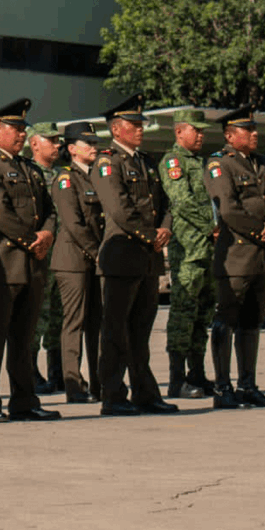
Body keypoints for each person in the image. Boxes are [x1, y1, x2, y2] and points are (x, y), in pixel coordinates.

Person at [0, 98, 61, 423]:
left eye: (24, 129)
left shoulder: (31, 169)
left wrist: (48, 234)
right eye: (16, 129)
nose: (22, 135)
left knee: (24, 339)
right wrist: (32, 240)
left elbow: (49, 210)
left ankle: (24, 401)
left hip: (33, 267)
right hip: (3, 265)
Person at [89, 94, 176, 416]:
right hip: (122, 256)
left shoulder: (146, 161)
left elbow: (164, 203)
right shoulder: (107, 162)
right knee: (115, 331)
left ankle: (145, 392)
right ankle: (113, 395)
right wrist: (152, 236)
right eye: (134, 125)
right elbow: (120, 210)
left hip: (148, 258)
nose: (140, 130)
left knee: (140, 331)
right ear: (116, 128)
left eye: (142, 125)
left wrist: (164, 228)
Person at [202, 105, 265, 409]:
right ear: (229, 135)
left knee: (252, 320)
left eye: (254, 129)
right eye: (247, 130)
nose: (254, 134)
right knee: (227, 317)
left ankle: (247, 384)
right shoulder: (220, 164)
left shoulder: (264, 163)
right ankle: (223, 388)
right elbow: (228, 209)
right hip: (236, 254)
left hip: (263, 256)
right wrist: (262, 231)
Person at [158, 108, 217, 398]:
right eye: (196, 129)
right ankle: (176, 379)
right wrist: (212, 227)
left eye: (203, 129)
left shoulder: (201, 162)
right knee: (183, 314)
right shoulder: (173, 161)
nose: (201, 134)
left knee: (202, 315)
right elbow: (181, 201)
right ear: (180, 131)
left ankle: (197, 373)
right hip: (189, 249)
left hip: (207, 250)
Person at [49, 122, 104, 403]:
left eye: (95, 144)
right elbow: (73, 223)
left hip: (95, 259)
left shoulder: (95, 176)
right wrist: (99, 252)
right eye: (88, 144)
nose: (94, 149)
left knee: (97, 323)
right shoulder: (66, 179)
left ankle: (98, 383)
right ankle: (73, 384)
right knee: (75, 322)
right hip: (73, 260)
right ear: (71, 149)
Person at [26, 122, 66, 394]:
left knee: (59, 316)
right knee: (36, 315)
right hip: (39, 254)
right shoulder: (27, 173)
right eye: (51, 140)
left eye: (58, 140)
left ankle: (58, 371)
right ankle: (29, 370)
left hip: (64, 255)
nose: (57, 145)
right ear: (35, 144)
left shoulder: (64, 175)